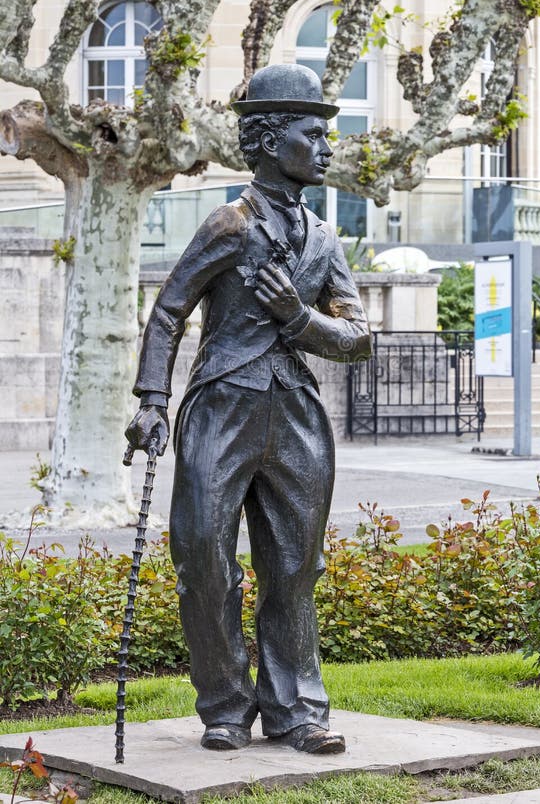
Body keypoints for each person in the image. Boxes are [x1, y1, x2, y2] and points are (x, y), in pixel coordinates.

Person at [125, 64, 371, 754]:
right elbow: (170, 310)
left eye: (328, 134)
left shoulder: (324, 241)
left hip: (294, 413)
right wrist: (152, 399)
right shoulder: (227, 225)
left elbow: (357, 339)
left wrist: (298, 319)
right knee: (203, 554)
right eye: (311, 133)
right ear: (266, 141)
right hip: (221, 408)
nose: (327, 146)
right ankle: (227, 706)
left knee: (295, 566)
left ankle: (296, 711)